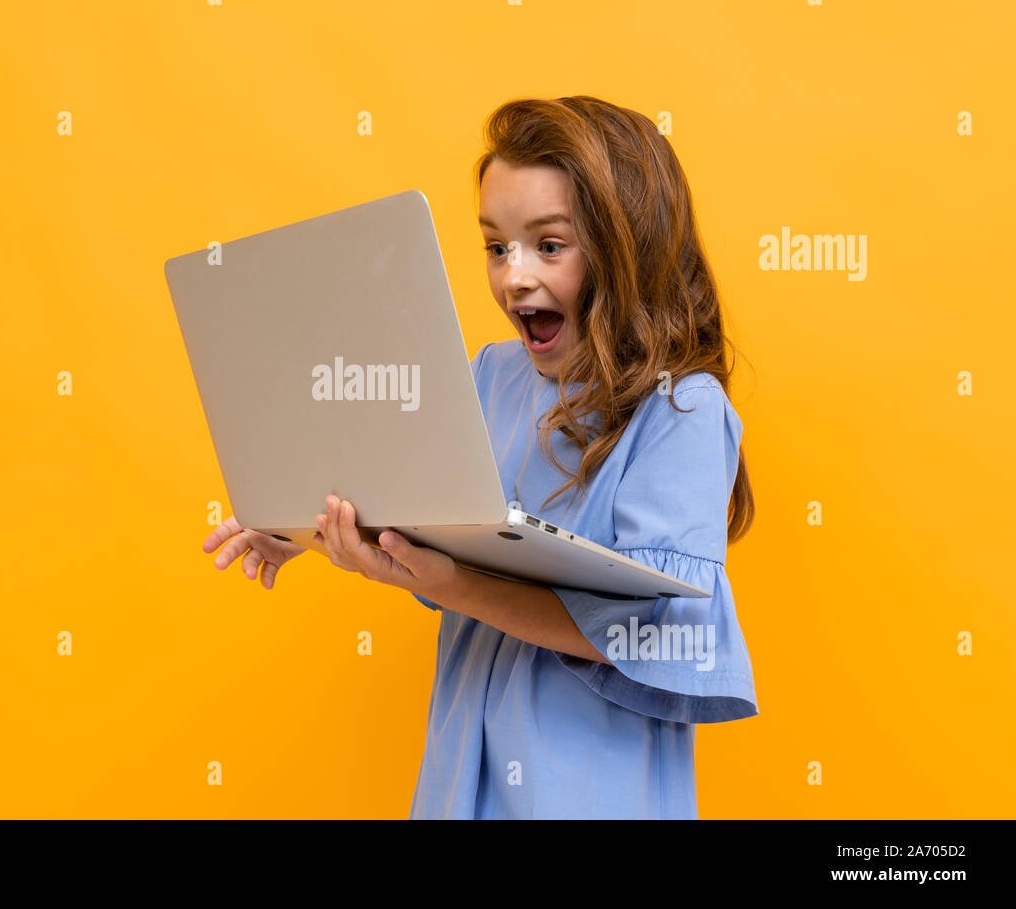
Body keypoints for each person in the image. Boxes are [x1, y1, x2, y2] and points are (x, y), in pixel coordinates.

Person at [202, 95, 758, 818]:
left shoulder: (680, 407)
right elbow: (412, 498)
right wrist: (298, 522)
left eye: (548, 246)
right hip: (463, 774)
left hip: (588, 790)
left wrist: (453, 585)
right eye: (497, 246)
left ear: (629, 249)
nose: (513, 277)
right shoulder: (490, 375)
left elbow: (667, 637)